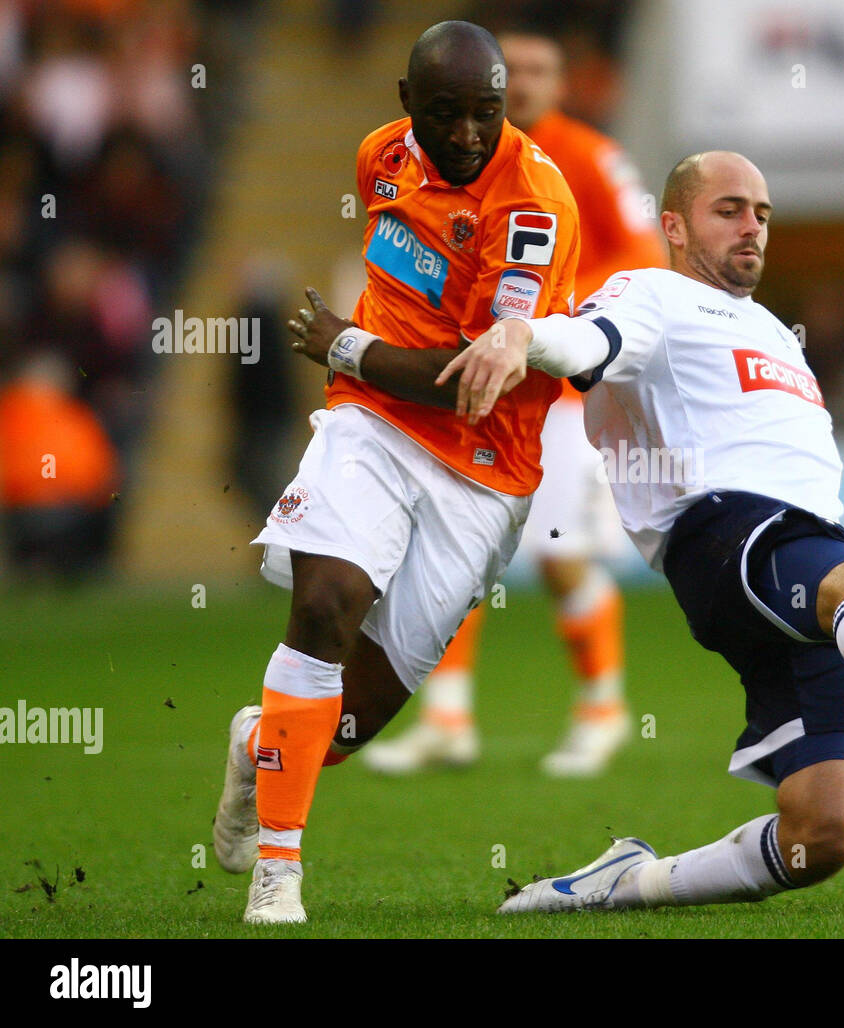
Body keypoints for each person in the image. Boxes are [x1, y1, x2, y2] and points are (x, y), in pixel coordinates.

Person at [439, 151, 844, 912]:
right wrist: (521, 336)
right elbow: (593, 342)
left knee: (825, 831)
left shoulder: (775, 332)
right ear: (674, 225)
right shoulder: (653, 292)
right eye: (728, 209)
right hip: (725, 534)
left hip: (807, 561)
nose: (751, 225)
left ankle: (624, 884)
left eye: (762, 212)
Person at [211, 20, 580, 924]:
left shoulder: (532, 207)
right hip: (370, 421)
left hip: (484, 466)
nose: (465, 135)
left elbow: (470, 383)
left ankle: (261, 744)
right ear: (407, 107)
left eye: (485, 116)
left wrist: (346, 343)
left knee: (349, 722)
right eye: (446, 115)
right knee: (326, 601)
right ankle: (280, 872)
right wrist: (360, 364)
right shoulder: (380, 157)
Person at [362, 28, 665, 778]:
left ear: (560, 85)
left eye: (539, 69)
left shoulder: (586, 160)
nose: (525, 83)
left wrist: (549, 307)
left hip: (553, 396)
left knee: (562, 555)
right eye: (516, 69)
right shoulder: (444, 162)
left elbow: (645, 258)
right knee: (442, 559)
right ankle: (447, 717)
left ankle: (602, 709)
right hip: (465, 381)